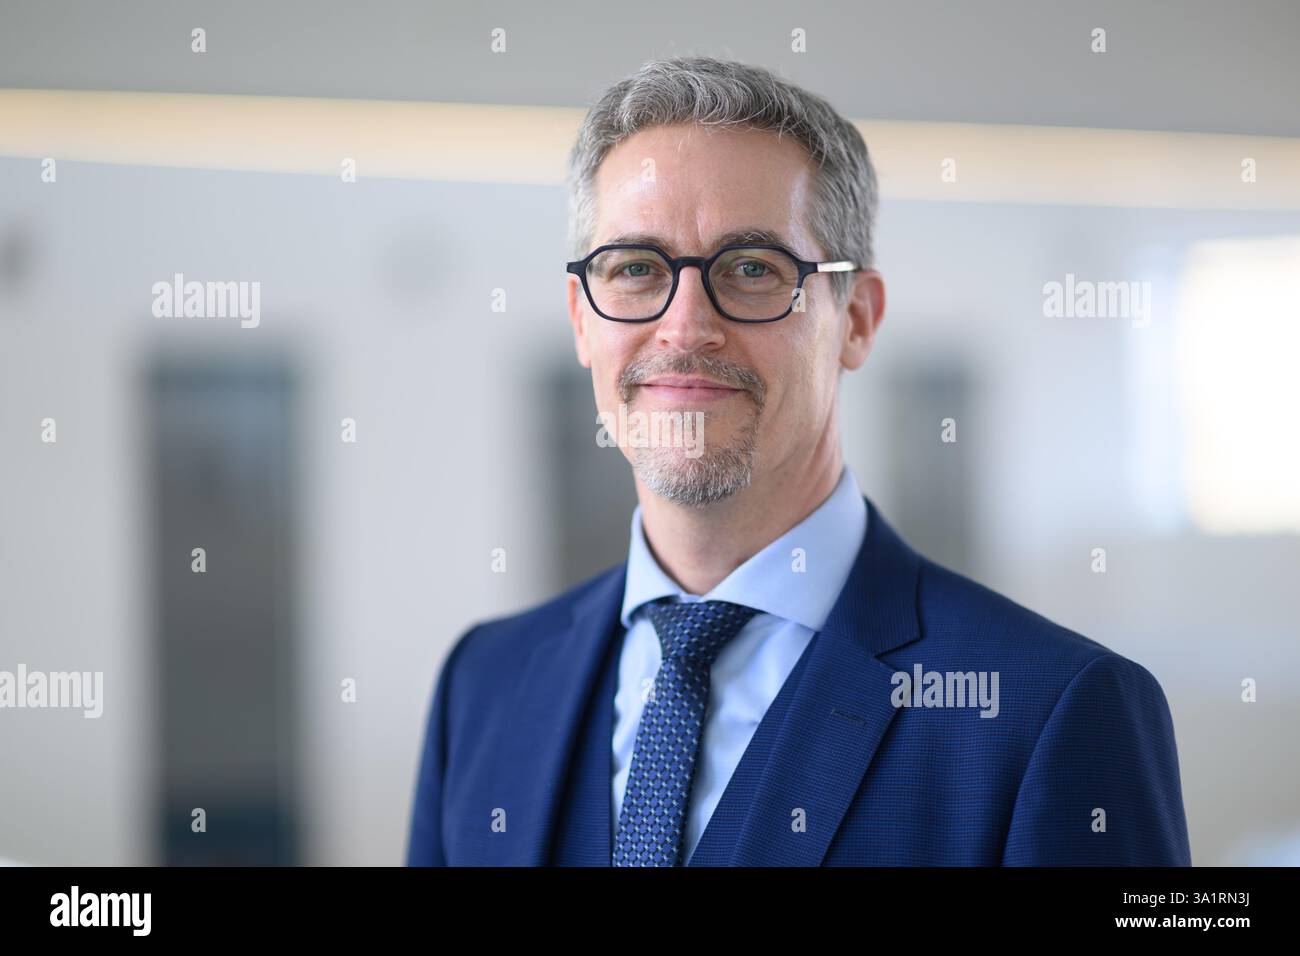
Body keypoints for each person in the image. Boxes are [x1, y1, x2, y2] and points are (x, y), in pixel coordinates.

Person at [406, 56, 1192, 866]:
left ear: (856, 318)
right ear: (581, 320)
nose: (684, 328)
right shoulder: (483, 686)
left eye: (751, 269)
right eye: (636, 269)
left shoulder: (1048, 712)